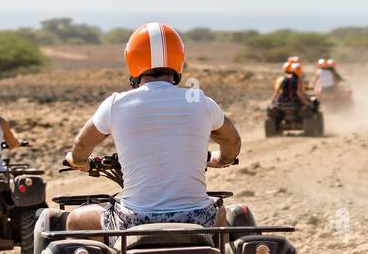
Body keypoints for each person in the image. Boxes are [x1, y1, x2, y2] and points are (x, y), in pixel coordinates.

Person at [62, 22, 241, 232]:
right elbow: (232, 141)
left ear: (131, 61)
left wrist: (77, 161)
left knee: (75, 219)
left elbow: (82, 143)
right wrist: (222, 160)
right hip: (198, 219)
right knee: (221, 215)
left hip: (133, 220)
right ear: (178, 61)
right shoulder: (199, 100)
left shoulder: (116, 104)